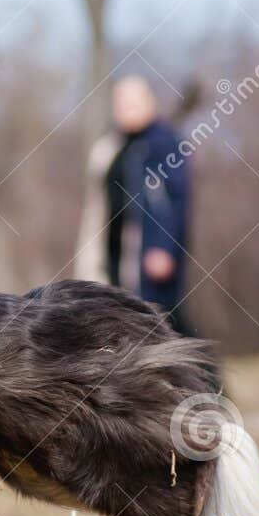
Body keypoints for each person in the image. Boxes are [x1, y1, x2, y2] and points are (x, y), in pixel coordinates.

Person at [97, 76, 195, 337]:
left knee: (163, 320)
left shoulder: (162, 142)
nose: (125, 110)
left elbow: (173, 198)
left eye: (132, 103)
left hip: (151, 251)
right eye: (120, 104)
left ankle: (206, 375)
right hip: (121, 252)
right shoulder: (121, 146)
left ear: (149, 102)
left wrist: (162, 247)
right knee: (136, 321)